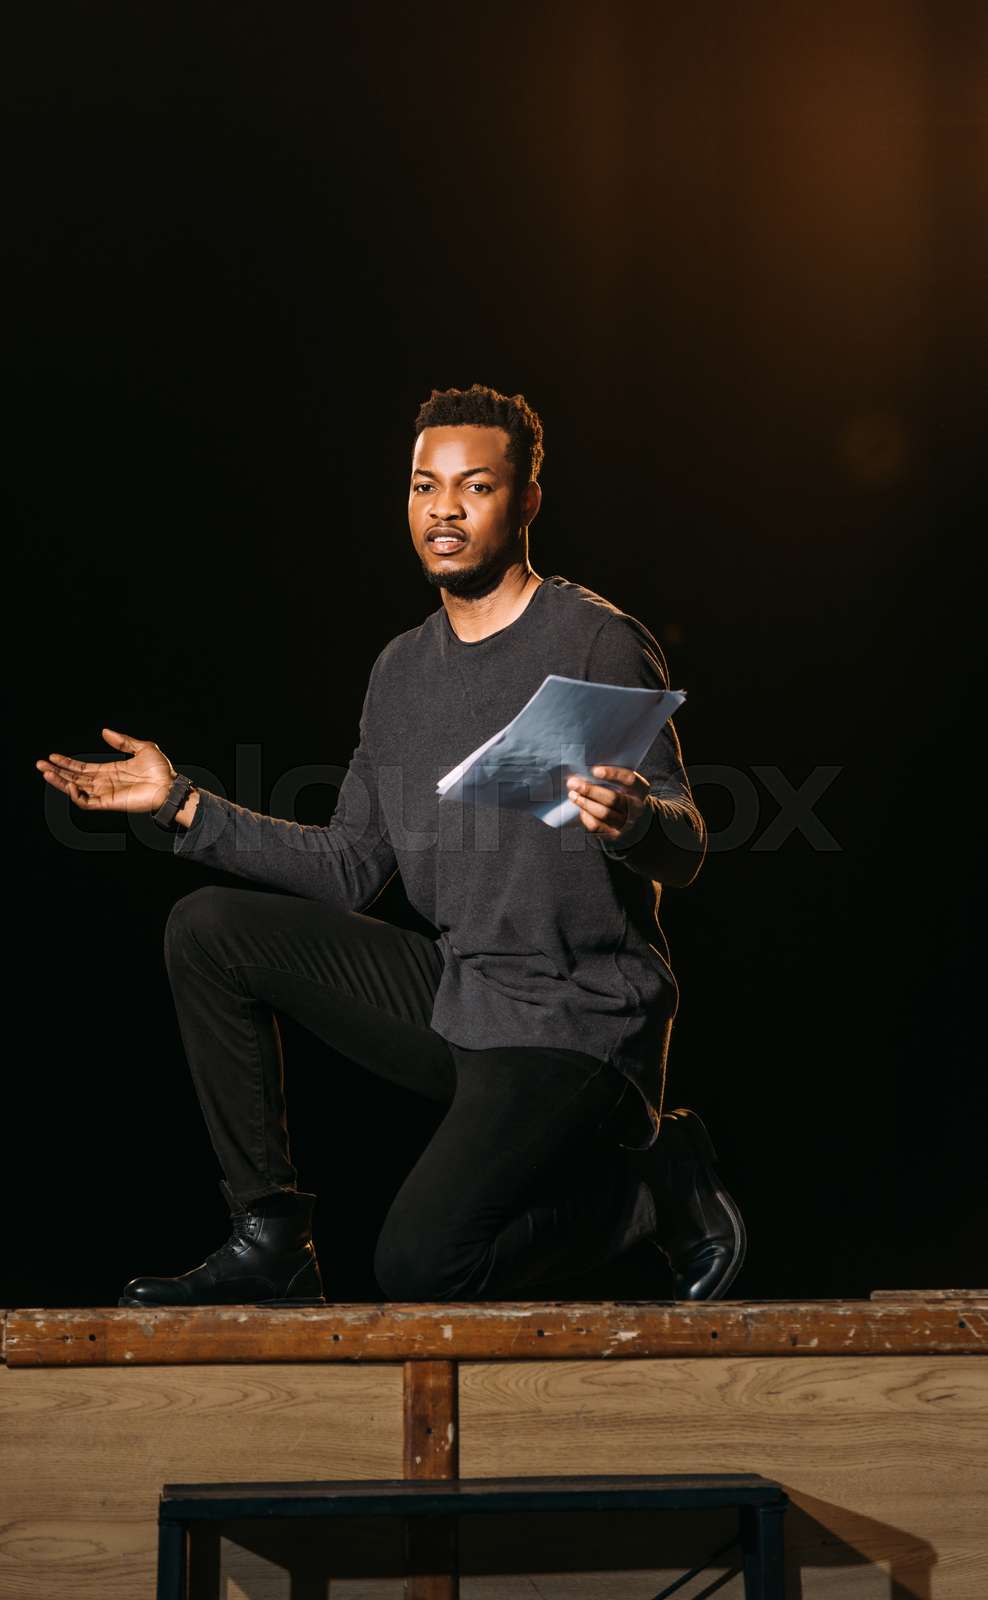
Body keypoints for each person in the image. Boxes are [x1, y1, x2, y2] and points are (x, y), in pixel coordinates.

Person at [36, 383, 745, 1308]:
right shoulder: (400, 671)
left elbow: (687, 844)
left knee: (420, 1269)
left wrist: (638, 819)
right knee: (209, 929)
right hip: (463, 994)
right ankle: (270, 1242)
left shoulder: (594, 640)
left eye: (474, 486)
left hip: (577, 1022)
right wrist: (182, 806)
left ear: (526, 500)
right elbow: (351, 866)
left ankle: (654, 1188)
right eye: (422, 485)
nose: (442, 509)